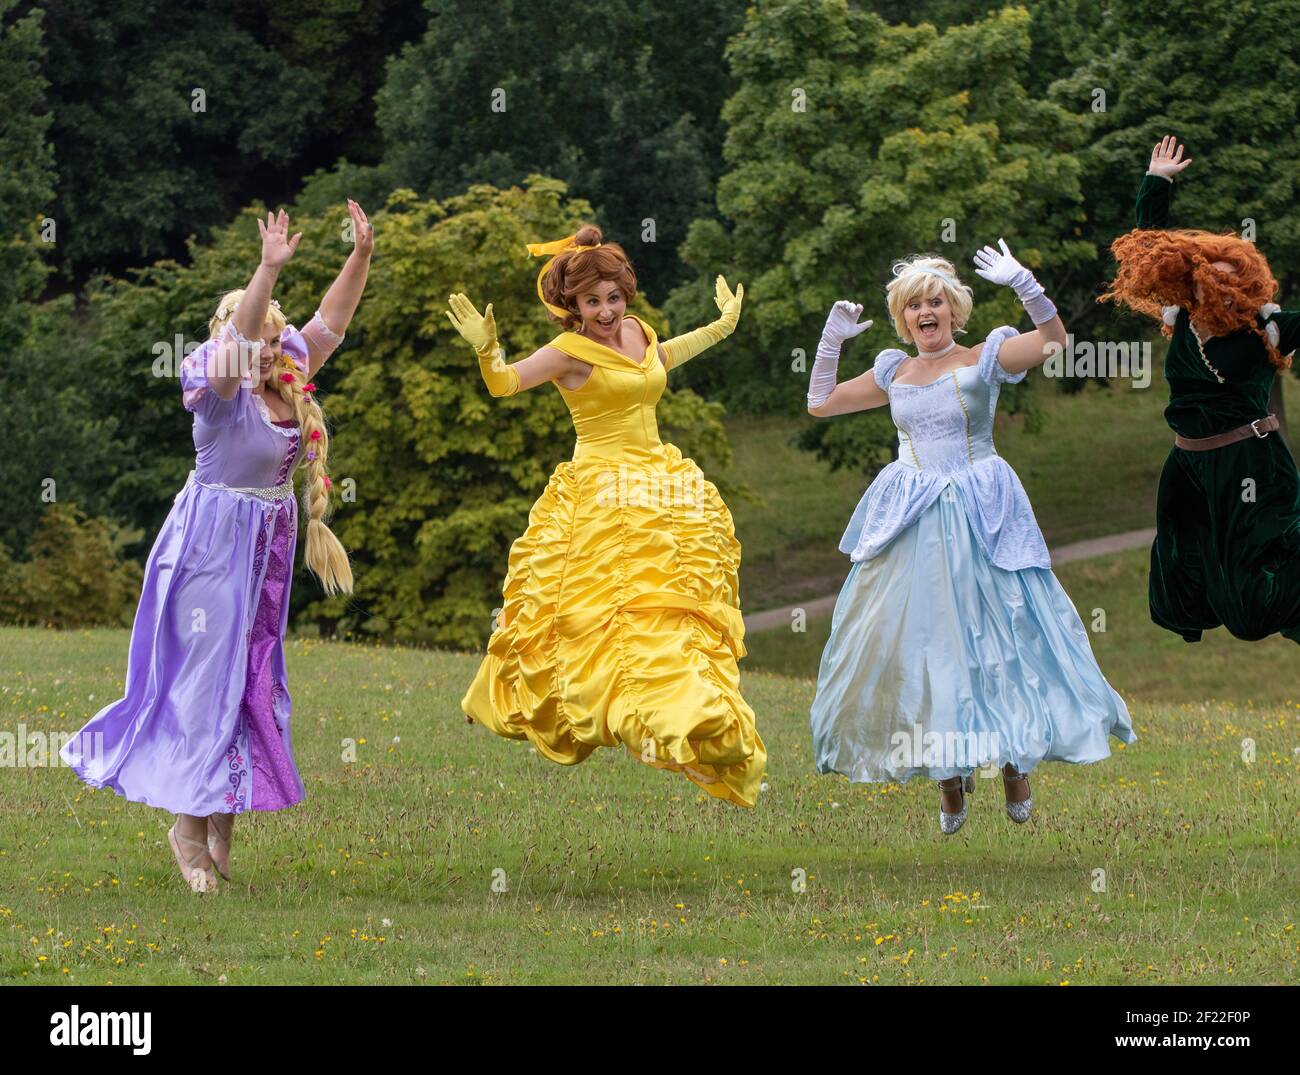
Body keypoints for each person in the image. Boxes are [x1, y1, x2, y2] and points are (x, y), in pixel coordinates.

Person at [61, 203, 374, 890]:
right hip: (209, 549)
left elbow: (333, 323)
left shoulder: (283, 376)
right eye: (259, 340)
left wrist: (360, 256)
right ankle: (187, 825)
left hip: (265, 550)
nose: (270, 350)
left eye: (275, 339)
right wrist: (265, 268)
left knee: (248, 682)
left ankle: (222, 826)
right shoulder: (220, 388)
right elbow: (236, 347)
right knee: (205, 684)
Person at [805, 242, 1134, 834]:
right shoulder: (893, 371)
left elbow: (1057, 343)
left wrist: (1026, 285)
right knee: (926, 644)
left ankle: (1014, 761)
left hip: (982, 512)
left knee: (1000, 636)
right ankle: (948, 776)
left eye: (935, 302)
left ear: (954, 310)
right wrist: (831, 341)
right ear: (903, 319)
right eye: (913, 306)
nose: (924, 313)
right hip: (912, 522)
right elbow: (820, 403)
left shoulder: (987, 356)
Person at [446, 225, 766, 807]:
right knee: (600, 613)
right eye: (592, 301)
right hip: (602, 489)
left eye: (613, 298)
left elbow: (662, 358)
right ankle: (606, 707)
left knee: (670, 612)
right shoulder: (567, 352)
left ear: (626, 295)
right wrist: (486, 349)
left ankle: (682, 714)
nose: (605, 310)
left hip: (662, 485)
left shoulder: (639, 332)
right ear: (572, 306)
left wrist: (722, 327)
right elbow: (505, 384)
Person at [1100, 135, 1300, 645]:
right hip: (1187, 464)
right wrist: (1157, 182)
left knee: (1251, 609)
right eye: (1211, 276)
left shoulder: (1266, 328)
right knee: (1177, 575)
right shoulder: (1181, 317)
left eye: (1232, 281)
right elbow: (1148, 249)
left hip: (1249, 465)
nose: (1219, 286)